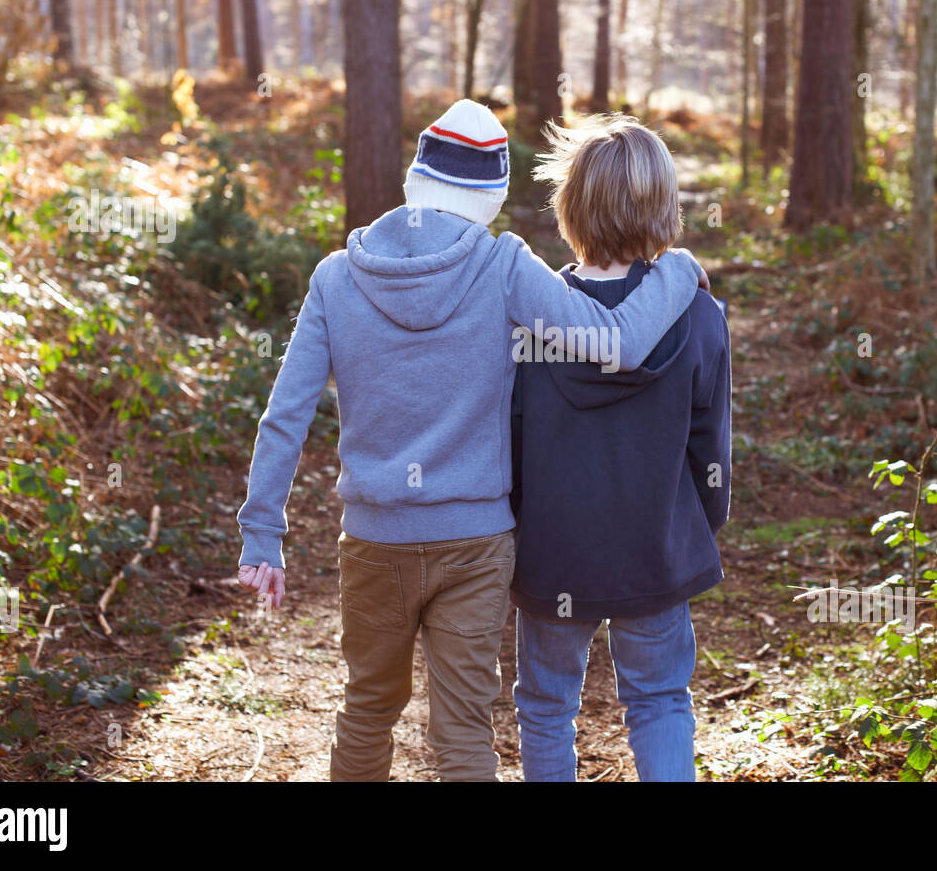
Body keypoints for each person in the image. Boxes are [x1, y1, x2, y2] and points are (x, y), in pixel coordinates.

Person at [234, 99, 707, 782]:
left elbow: (286, 413)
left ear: (415, 181)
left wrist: (261, 533)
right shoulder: (503, 265)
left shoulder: (336, 277)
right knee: (463, 730)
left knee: (367, 708)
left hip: (374, 543)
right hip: (477, 544)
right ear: (491, 197)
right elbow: (619, 342)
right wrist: (677, 270)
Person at [510, 114, 732, 782]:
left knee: (546, 707)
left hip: (553, 552)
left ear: (570, 205)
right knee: (660, 700)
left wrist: (517, 533)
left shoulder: (531, 313)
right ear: (661, 207)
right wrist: (699, 527)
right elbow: (710, 446)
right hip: (655, 549)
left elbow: (509, 437)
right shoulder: (698, 317)